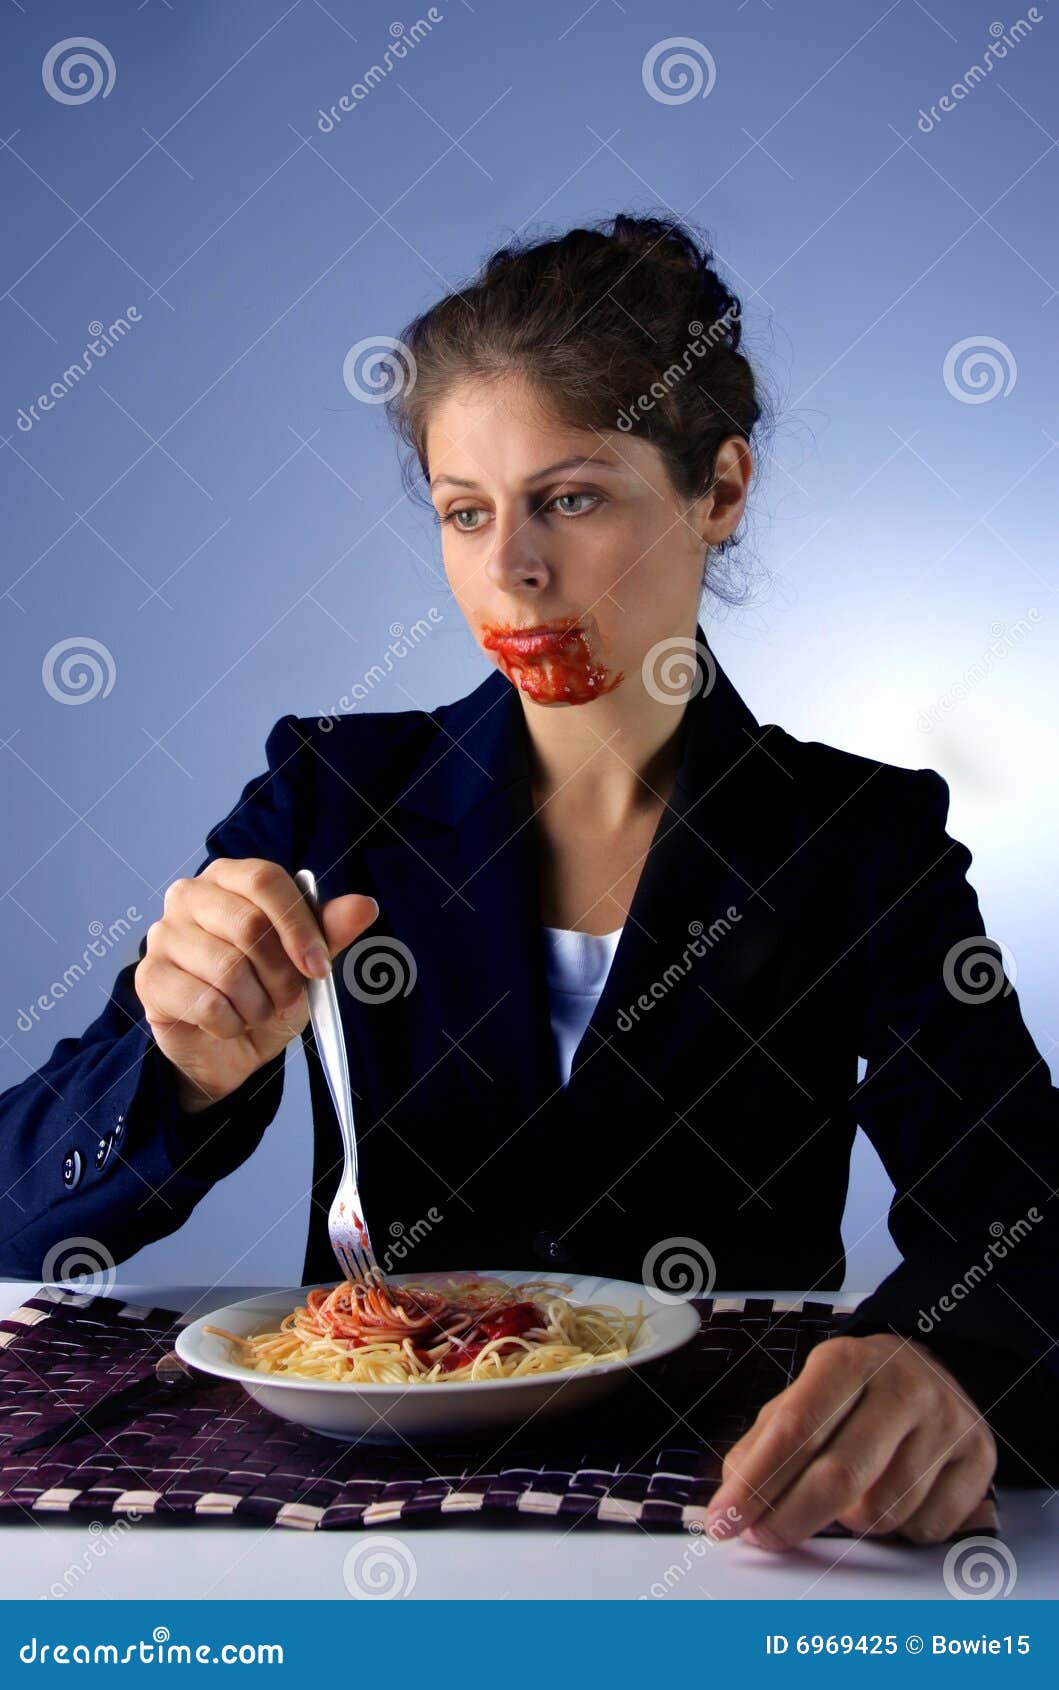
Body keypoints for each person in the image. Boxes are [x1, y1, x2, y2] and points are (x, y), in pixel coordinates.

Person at [1, 214, 1055, 1552]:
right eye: (465, 512)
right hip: (360, 1525)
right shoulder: (331, 796)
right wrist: (172, 1070)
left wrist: (950, 1361)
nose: (513, 571)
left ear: (720, 489)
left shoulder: (860, 836)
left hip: (737, 1519)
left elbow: (1027, 1211)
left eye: (572, 496)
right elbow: (22, 1202)